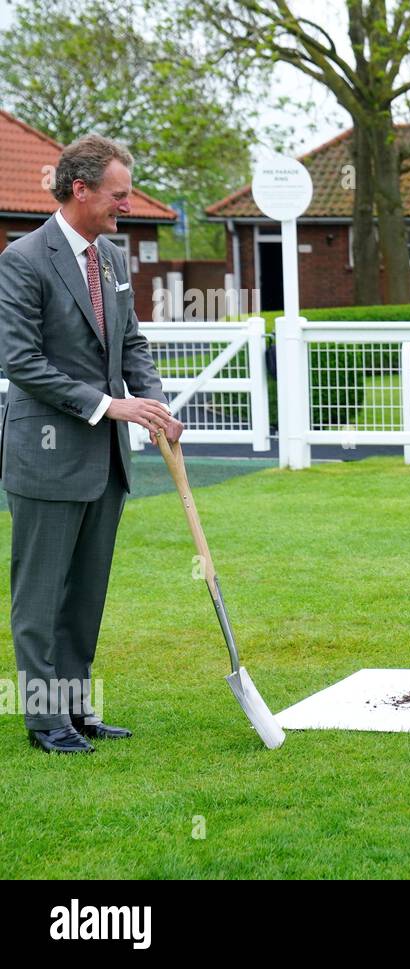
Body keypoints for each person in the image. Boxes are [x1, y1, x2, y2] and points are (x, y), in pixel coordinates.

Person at [0, 134, 182, 754]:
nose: (124, 206)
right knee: (41, 596)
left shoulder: (112, 260)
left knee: (85, 593)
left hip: (105, 462)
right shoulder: (22, 259)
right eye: (118, 195)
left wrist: (152, 406)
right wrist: (111, 406)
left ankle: (76, 708)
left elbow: (131, 344)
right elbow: (20, 361)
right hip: (47, 458)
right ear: (80, 190)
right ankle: (44, 722)